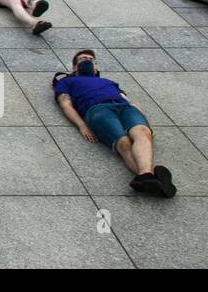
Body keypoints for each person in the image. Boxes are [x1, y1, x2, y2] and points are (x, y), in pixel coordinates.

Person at [53, 50, 174, 197]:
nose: (87, 59)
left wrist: (144, 120)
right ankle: (152, 178)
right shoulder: (65, 82)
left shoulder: (109, 82)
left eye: (91, 59)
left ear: (96, 68)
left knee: (143, 132)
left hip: (124, 107)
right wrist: (82, 125)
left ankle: (146, 177)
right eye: (83, 58)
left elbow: (129, 100)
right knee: (123, 142)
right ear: (74, 68)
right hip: (97, 109)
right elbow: (65, 103)